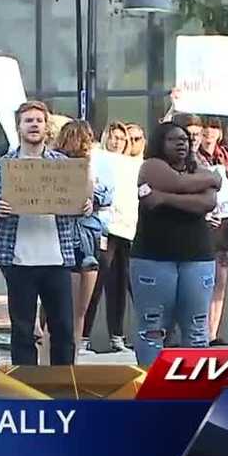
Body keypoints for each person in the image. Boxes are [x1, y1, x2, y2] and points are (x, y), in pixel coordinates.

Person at [0, 101, 88, 366]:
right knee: (22, 331)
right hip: (18, 260)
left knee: (63, 330)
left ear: (46, 127)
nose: (34, 125)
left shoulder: (63, 165)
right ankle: (26, 385)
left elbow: (82, 201)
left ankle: (64, 382)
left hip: (57, 258)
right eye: (28, 120)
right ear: (19, 127)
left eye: (38, 121)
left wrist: (85, 205)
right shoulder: (4, 165)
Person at [129, 121, 220, 365]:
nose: (181, 143)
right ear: (160, 143)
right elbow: (180, 185)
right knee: (153, 327)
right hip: (153, 257)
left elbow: (208, 202)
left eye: (184, 139)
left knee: (197, 328)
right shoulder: (150, 167)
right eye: (173, 139)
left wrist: (163, 197)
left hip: (197, 257)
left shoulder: (200, 169)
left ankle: (193, 391)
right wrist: (201, 186)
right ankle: (152, 388)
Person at [53, 120, 112, 355]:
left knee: (75, 311)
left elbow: (104, 194)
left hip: (87, 238)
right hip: (72, 237)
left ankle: (70, 361)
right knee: (69, 311)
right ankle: (63, 361)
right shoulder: (55, 165)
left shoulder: (96, 164)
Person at [84, 122, 138, 353]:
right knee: (96, 282)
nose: (117, 142)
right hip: (103, 227)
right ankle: (84, 337)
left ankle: (117, 336)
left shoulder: (133, 165)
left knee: (120, 283)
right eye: (113, 137)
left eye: (121, 138)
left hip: (126, 228)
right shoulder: (97, 158)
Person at [198, 116, 228, 346]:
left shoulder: (227, 155)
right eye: (206, 128)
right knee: (204, 278)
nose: (209, 133)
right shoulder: (195, 156)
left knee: (221, 279)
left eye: (213, 128)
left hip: (226, 220)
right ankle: (200, 330)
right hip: (204, 221)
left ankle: (213, 332)